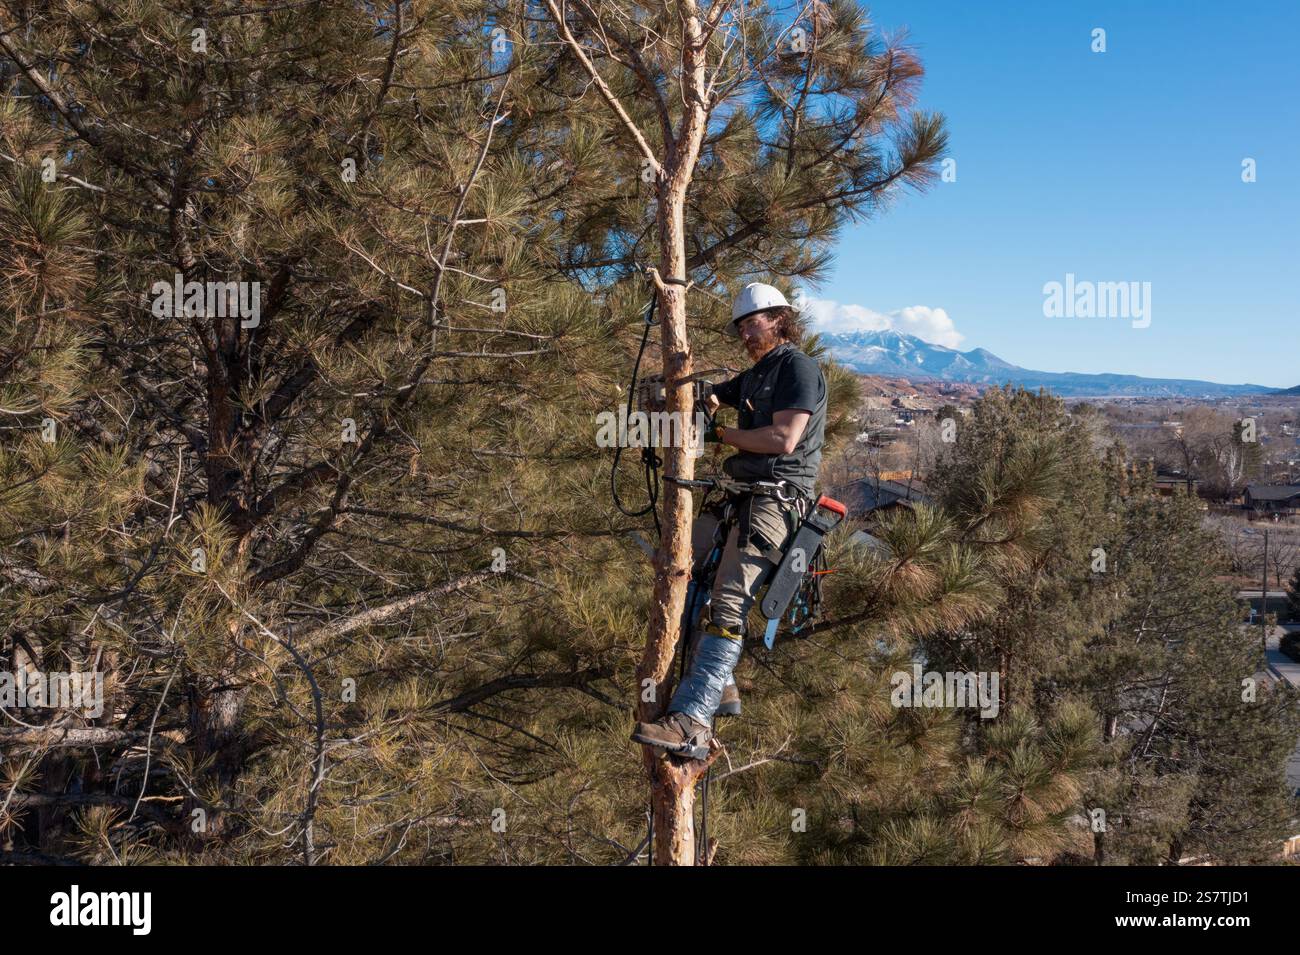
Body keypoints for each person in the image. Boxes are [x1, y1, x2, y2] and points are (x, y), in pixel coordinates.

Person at [631, 283, 828, 757]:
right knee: (687, 574)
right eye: (740, 326)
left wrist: (720, 431)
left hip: (775, 501)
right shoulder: (760, 372)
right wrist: (684, 399)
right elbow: (713, 397)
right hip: (740, 495)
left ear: (778, 319)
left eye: (752, 322)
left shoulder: (798, 368)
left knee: (728, 601)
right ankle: (721, 684)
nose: (744, 332)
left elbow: (783, 439)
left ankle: (692, 721)